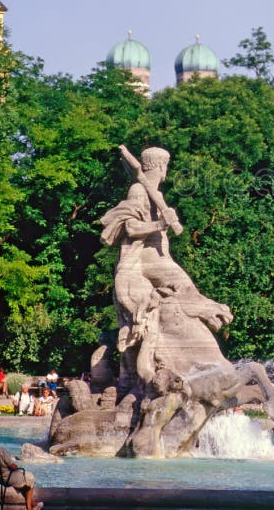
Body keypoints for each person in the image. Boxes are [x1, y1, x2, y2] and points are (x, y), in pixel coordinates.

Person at [100, 146, 233, 392]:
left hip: (161, 259)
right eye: (166, 165)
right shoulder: (139, 190)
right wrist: (162, 222)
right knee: (184, 286)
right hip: (146, 262)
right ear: (160, 166)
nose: (166, 170)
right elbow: (130, 228)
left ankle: (205, 325)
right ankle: (209, 315)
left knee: (186, 288)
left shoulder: (154, 193)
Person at [0, 427, 43, 510]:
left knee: (22, 483)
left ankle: (34, 504)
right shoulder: (0, 450)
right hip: (7, 478)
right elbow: (12, 466)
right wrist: (15, 467)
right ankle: (29, 507)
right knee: (30, 478)